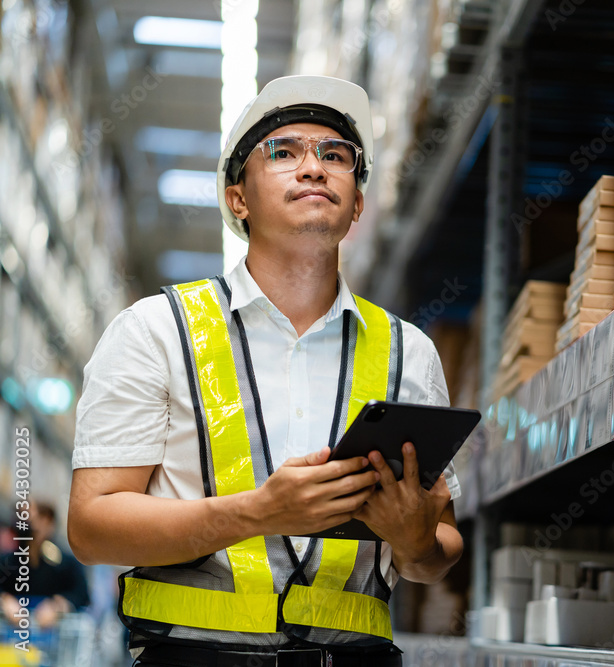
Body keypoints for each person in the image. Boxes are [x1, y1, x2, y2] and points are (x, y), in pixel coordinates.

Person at [67, 75, 463, 667]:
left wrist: (416, 542)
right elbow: (92, 526)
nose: (314, 168)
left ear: (357, 204)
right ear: (238, 199)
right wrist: (258, 512)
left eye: (336, 156)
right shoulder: (155, 331)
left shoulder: (410, 353)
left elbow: (442, 546)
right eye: (284, 152)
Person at [0, 503, 90, 665]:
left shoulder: (65, 563)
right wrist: (5, 600)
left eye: (39, 517)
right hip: (10, 642)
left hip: (53, 644)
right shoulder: (7, 561)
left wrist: (58, 605)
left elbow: (81, 593)